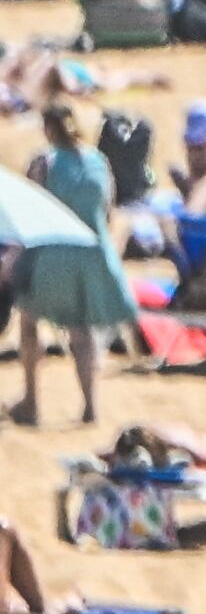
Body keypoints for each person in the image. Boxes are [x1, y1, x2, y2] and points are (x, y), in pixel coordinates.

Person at [15, 103, 125, 427]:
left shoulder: (44, 162)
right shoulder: (98, 162)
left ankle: (32, 402)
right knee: (82, 331)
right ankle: (90, 405)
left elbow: (28, 211)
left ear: (48, 128)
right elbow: (108, 211)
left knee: (29, 321)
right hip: (92, 255)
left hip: (53, 255)